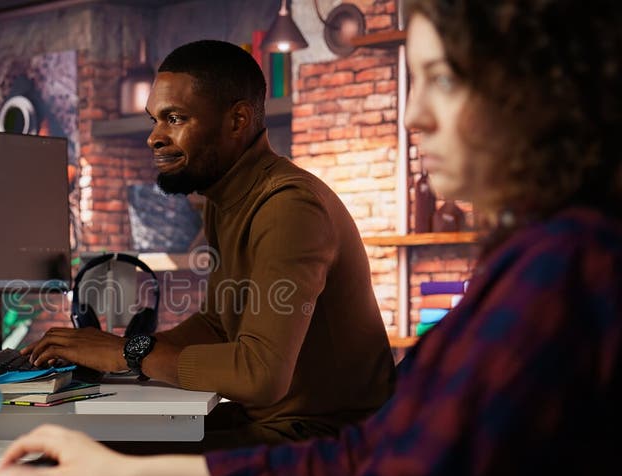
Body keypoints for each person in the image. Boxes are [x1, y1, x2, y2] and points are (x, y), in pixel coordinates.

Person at [0, 1, 622, 476]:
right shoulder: (531, 262)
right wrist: (121, 395)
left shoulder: (560, 270)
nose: (416, 117)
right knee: (89, 455)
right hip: (314, 447)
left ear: (541, 91)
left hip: (299, 428)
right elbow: (242, 343)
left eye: (443, 79)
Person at [24, 40, 395, 449]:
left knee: (94, 460)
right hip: (279, 424)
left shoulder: (288, 208)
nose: (154, 138)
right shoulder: (225, 198)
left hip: (328, 443)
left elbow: (260, 374)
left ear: (237, 120)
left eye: (175, 118)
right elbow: (219, 323)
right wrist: (114, 353)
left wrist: (129, 354)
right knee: (98, 440)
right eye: (154, 120)